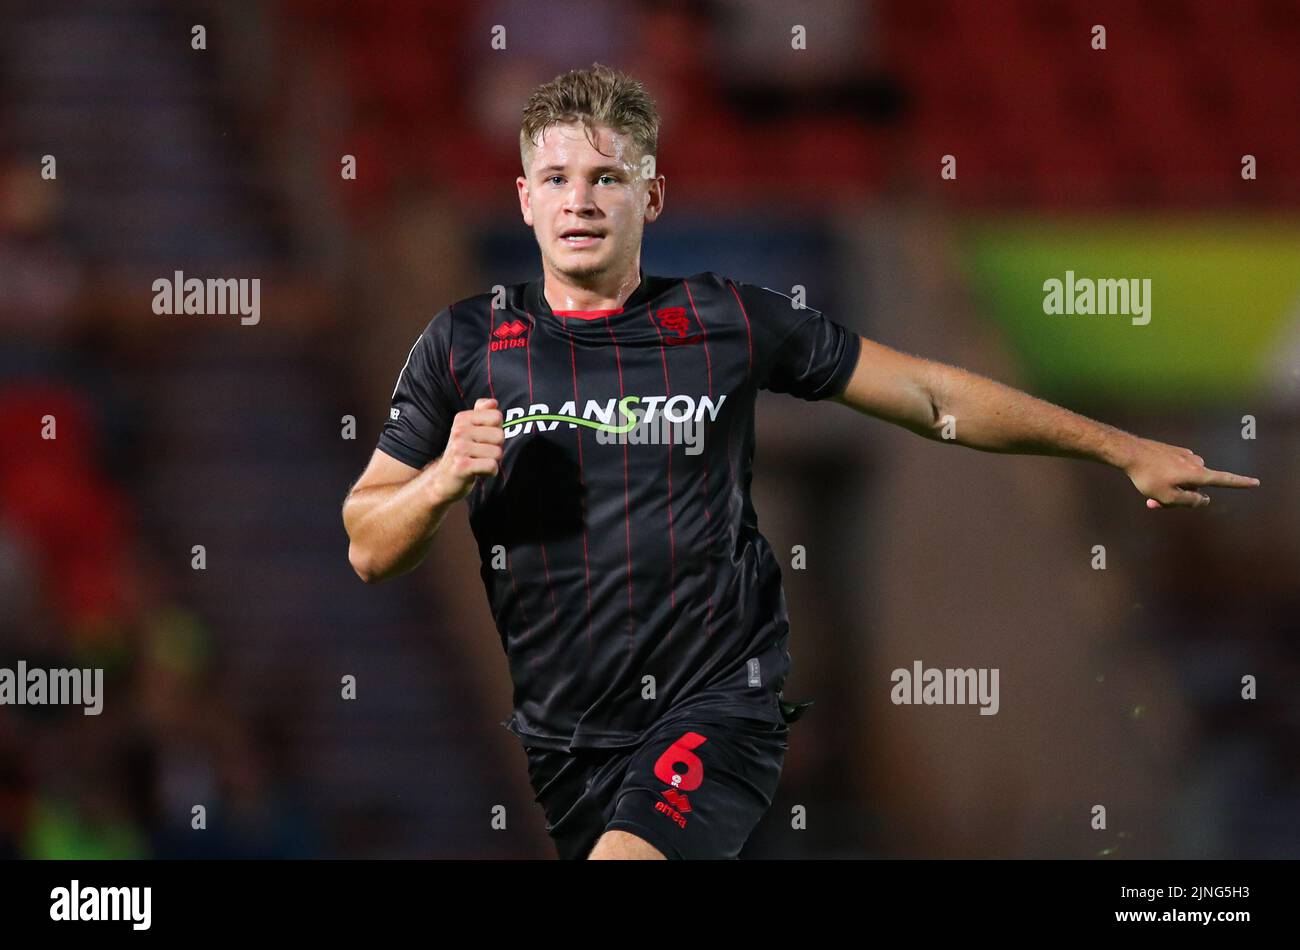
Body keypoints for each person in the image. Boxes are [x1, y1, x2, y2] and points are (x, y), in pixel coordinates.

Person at [341, 63, 1259, 860]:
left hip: (716, 706)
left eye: (607, 177)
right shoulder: (464, 344)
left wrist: (1121, 449)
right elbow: (370, 547)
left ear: (650, 197)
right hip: (566, 739)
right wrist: (441, 480)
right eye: (557, 177)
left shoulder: (729, 319)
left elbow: (931, 397)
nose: (580, 199)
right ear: (524, 198)